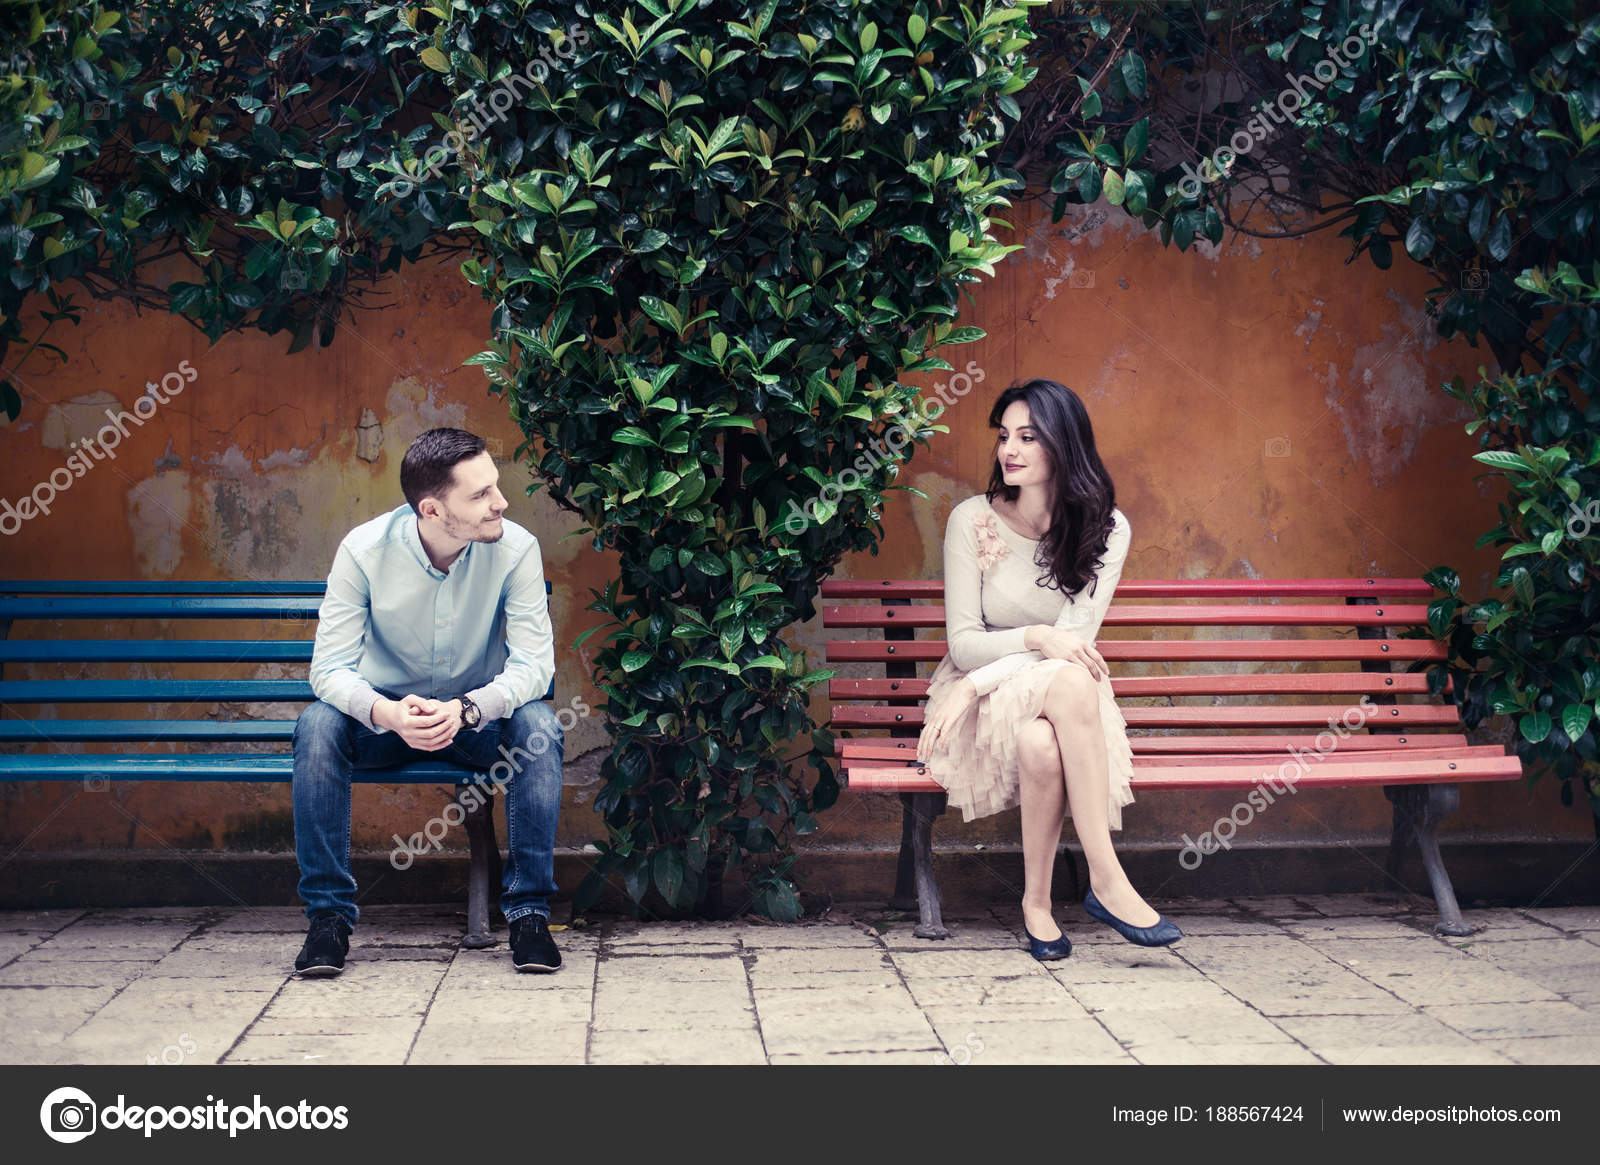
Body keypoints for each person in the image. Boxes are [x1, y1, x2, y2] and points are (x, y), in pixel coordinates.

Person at [916, 379, 1180, 960]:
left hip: (1061, 701)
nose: (1009, 449)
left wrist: (1030, 653)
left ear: (1063, 445)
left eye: (1027, 437)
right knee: (1068, 679)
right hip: (979, 701)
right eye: (1004, 436)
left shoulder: (1108, 530)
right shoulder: (971, 520)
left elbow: (1076, 643)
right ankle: (1106, 880)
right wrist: (1029, 642)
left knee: (1043, 739)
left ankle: (1036, 904)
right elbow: (963, 646)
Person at [291, 428, 564, 976]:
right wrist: (386, 713)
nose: (500, 503)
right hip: (385, 723)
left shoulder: (515, 549)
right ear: (433, 509)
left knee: (540, 725)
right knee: (317, 726)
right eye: (481, 494)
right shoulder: (364, 552)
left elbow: (534, 666)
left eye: (496, 486)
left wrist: (469, 709)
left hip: (476, 722)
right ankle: (328, 920)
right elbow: (329, 670)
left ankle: (530, 914)